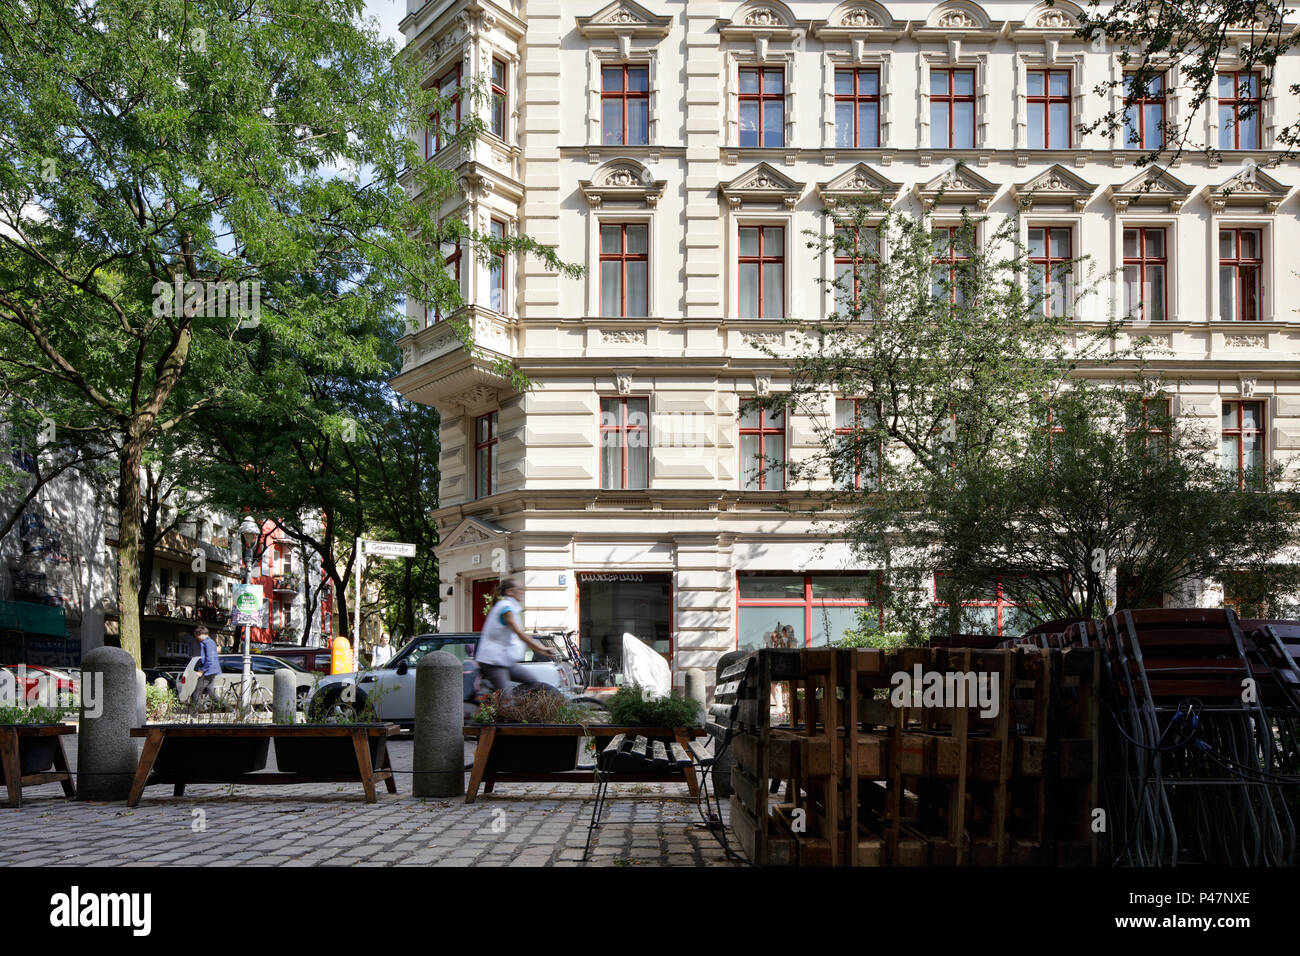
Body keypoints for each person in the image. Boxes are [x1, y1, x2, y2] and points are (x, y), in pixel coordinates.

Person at [474, 578, 553, 694]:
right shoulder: (506, 609)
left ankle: (512, 705)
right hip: (492, 661)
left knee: (533, 682)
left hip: (504, 660)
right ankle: (504, 705)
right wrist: (541, 649)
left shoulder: (510, 606)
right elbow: (520, 633)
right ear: (509, 592)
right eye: (519, 589)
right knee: (505, 700)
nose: (522, 591)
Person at [191, 625, 220, 710]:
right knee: (211, 693)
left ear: (200, 634)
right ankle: (230, 708)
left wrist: (201, 671)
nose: (197, 638)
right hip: (211, 670)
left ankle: (194, 713)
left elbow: (209, 659)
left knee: (196, 692)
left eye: (196, 636)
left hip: (208, 671)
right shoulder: (209, 642)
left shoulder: (208, 643)